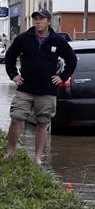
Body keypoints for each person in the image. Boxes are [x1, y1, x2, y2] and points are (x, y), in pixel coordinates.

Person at [4, 10, 77, 165]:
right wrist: (13, 75)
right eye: (35, 19)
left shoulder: (58, 40)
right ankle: (10, 153)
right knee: (16, 118)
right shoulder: (24, 38)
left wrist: (62, 77)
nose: (38, 22)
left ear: (49, 21)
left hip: (47, 91)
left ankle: (37, 158)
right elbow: (9, 57)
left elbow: (72, 60)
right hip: (25, 88)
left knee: (43, 123)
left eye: (41, 19)